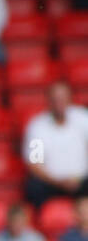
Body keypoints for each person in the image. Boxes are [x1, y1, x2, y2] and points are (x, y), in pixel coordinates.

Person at [23, 81, 88, 209]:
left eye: (62, 98)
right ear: (48, 101)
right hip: (51, 183)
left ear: (70, 99)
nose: (59, 103)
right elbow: (35, 164)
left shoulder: (83, 119)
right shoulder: (37, 126)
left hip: (82, 181)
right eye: (55, 99)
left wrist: (78, 179)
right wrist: (58, 182)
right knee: (34, 187)